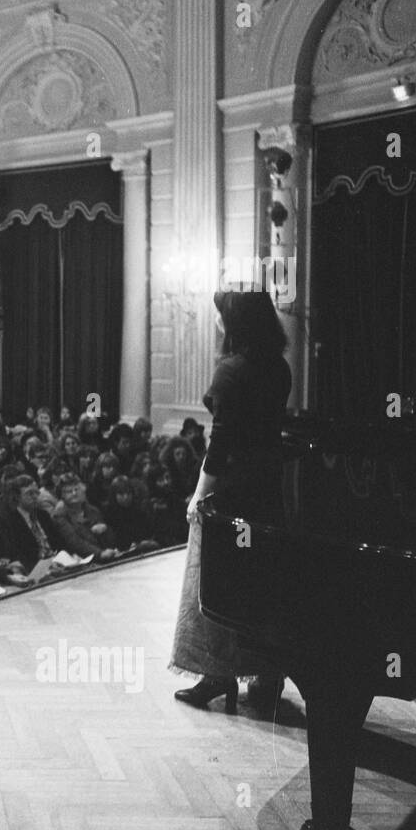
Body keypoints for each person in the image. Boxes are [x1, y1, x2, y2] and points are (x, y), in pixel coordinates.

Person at [172, 291, 291, 731]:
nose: (218, 325)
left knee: (216, 581)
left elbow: (221, 443)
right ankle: (266, 676)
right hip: (267, 489)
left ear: (236, 323)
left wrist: (198, 495)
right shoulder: (278, 368)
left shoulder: (232, 371)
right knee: (260, 580)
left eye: (222, 318)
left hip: (234, 491)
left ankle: (217, 675)